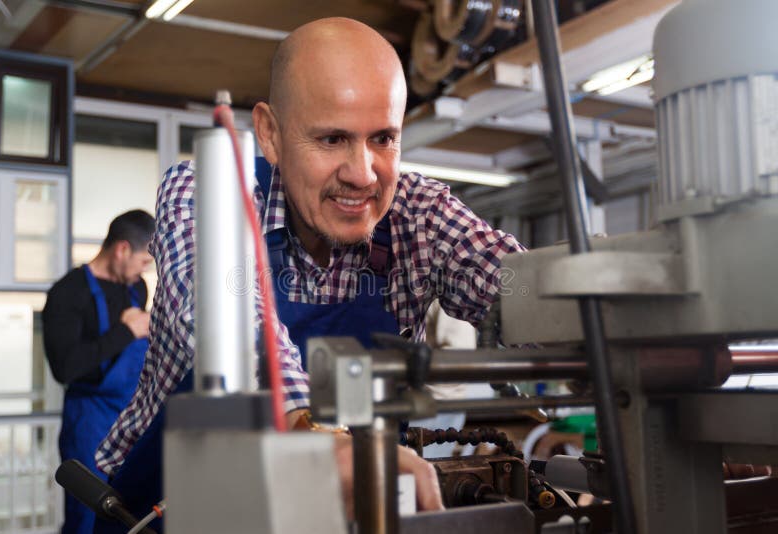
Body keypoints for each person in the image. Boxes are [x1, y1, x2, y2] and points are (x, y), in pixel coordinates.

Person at [93, 17, 525, 531]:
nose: (362, 173)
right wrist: (319, 439)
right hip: (170, 511)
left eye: (384, 138)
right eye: (333, 139)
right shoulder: (208, 191)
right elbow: (223, 312)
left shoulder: (420, 215)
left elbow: (509, 282)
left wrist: (578, 305)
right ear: (270, 134)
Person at [43, 209, 154, 534]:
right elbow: (65, 368)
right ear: (122, 249)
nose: (144, 271)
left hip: (132, 418)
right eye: (143, 261)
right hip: (89, 423)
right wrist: (124, 332)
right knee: (88, 517)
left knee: (134, 512)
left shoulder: (137, 289)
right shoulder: (68, 293)